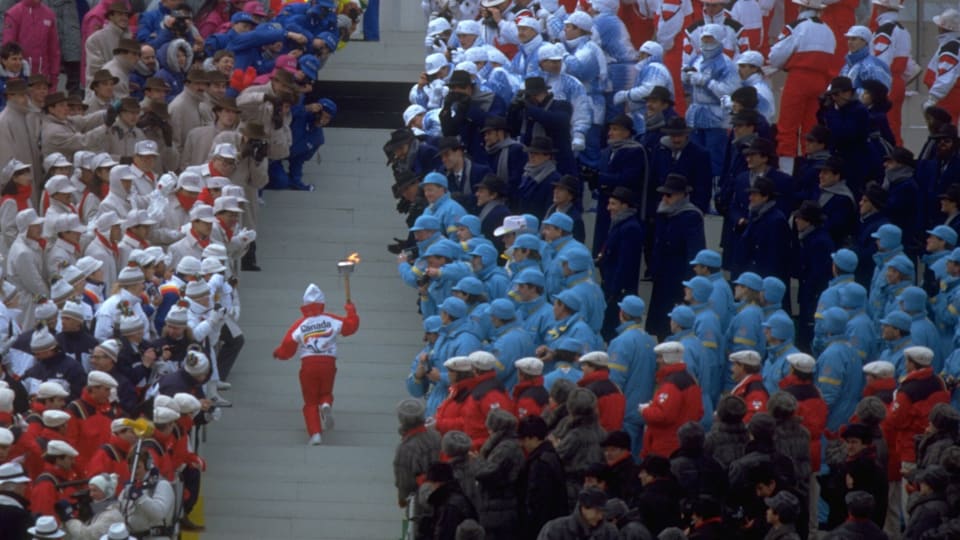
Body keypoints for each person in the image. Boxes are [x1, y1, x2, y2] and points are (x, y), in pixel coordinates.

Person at [273, 284, 359, 446]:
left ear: (304, 304)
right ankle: (326, 403)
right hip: (328, 362)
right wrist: (351, 310)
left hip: (309, 363)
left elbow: (288, 345)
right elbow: (350, 327)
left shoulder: (300, 324)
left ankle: (315, 434)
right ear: (322, 303)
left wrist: (279, 353)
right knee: (326, 390)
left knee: (310, 400)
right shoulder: (331, 319)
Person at [767, 0, 836, 169]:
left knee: (787, 127)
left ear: (801, 7)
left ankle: (786, 172)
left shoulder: (796, 26)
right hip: (821, 81)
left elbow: (776, 55)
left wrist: (784, 64)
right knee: (811, 129)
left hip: (798, 78)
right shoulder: (828, 30)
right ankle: (811, 169)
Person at [648, 174, 705, 338]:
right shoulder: (663, 214)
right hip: (662, 277)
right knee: (660, 324)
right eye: (664, 194)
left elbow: (694, 251)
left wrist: (689, 283)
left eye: (669, 195)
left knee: (675, 325)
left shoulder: (691, 216)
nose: (665, 198)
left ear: (683, 195)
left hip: (678, 279)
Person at [517, 415, 567, 540]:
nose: (521, 444)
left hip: (540, 527)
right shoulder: (551, 456)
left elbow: (537, 501)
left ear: (534, 438)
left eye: (524, 439)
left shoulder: (540, 463)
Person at [393, 399, 440, 510]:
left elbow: (404, 479)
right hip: (440, 489)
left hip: (419, 497)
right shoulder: (435, 435)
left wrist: (402, 498)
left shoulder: (405, 448)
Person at [536, 486, 619, 539]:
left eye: (602, 512)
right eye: (597, 511)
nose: (600, 516)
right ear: (583, 508)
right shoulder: (554, 530)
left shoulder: (610, 533)